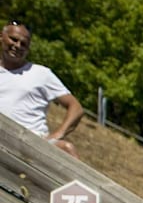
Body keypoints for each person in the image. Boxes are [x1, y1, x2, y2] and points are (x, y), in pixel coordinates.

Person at [0, 22, 82, 157]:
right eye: (13, 39)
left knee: (67, 149)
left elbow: (76, 108)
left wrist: (57, 135)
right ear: (1, 37)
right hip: (3, 141)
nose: (17, 46)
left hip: (32, 144)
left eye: (24, 43)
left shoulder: (40, 74)